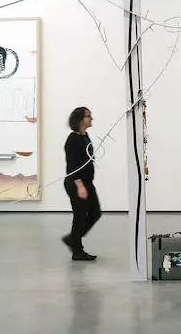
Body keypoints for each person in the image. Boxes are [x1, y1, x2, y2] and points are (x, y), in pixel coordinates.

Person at [62, 106, 101, 261]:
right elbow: (71, 166)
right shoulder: (72, 140)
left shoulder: (85, 136)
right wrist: (80, 186)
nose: (91, 118)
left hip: (87, 182)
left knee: (95, 212)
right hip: (76, 183)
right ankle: (77, 250)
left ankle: (73, 238)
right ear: (79, 120)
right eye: (88, 116)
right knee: (80, 216)